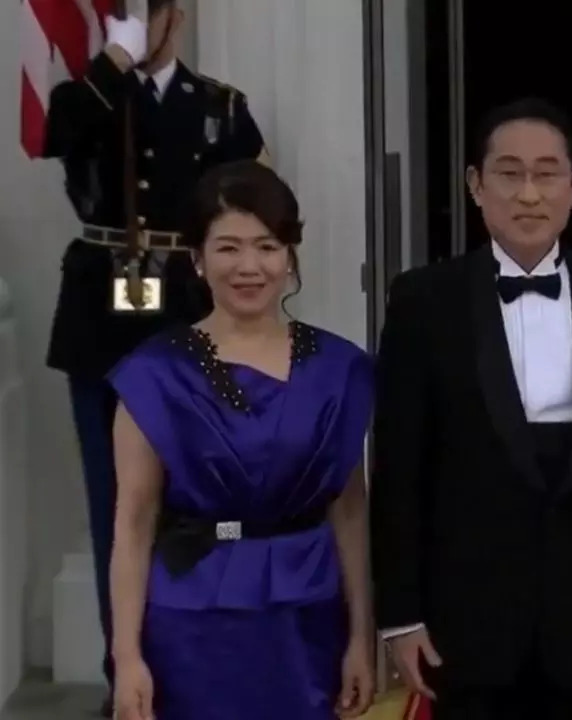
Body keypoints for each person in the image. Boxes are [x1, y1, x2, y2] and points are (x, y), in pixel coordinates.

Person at [370, 97, 572, 720]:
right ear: (476, 186)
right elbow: (400, 468)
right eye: (509, 174)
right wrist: (400, 615)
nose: (529, 194)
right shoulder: (424, 302)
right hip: (467, 622)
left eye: (547, 173)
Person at [37, 2, 267, 710]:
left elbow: (248, 213)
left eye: (152, 7)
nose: (139, 18)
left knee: (201, 505)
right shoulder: (92, 95)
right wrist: (114, 61)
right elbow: (55, 137)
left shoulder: (220, 109)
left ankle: (196, 670)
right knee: (118, 511)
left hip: (190, 319)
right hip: (103, 323)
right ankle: (127, 683)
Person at [106, 161, 375, 720]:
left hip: (308, 614)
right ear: (198, 260)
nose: (249, 266)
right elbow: (132, 526)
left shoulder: (339, 368)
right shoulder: (153, 375)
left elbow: (349, 512)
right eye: (228, 248)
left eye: (267, 246)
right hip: (190, 619)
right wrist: (126, 655)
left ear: (289, 257)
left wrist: (361, 637)